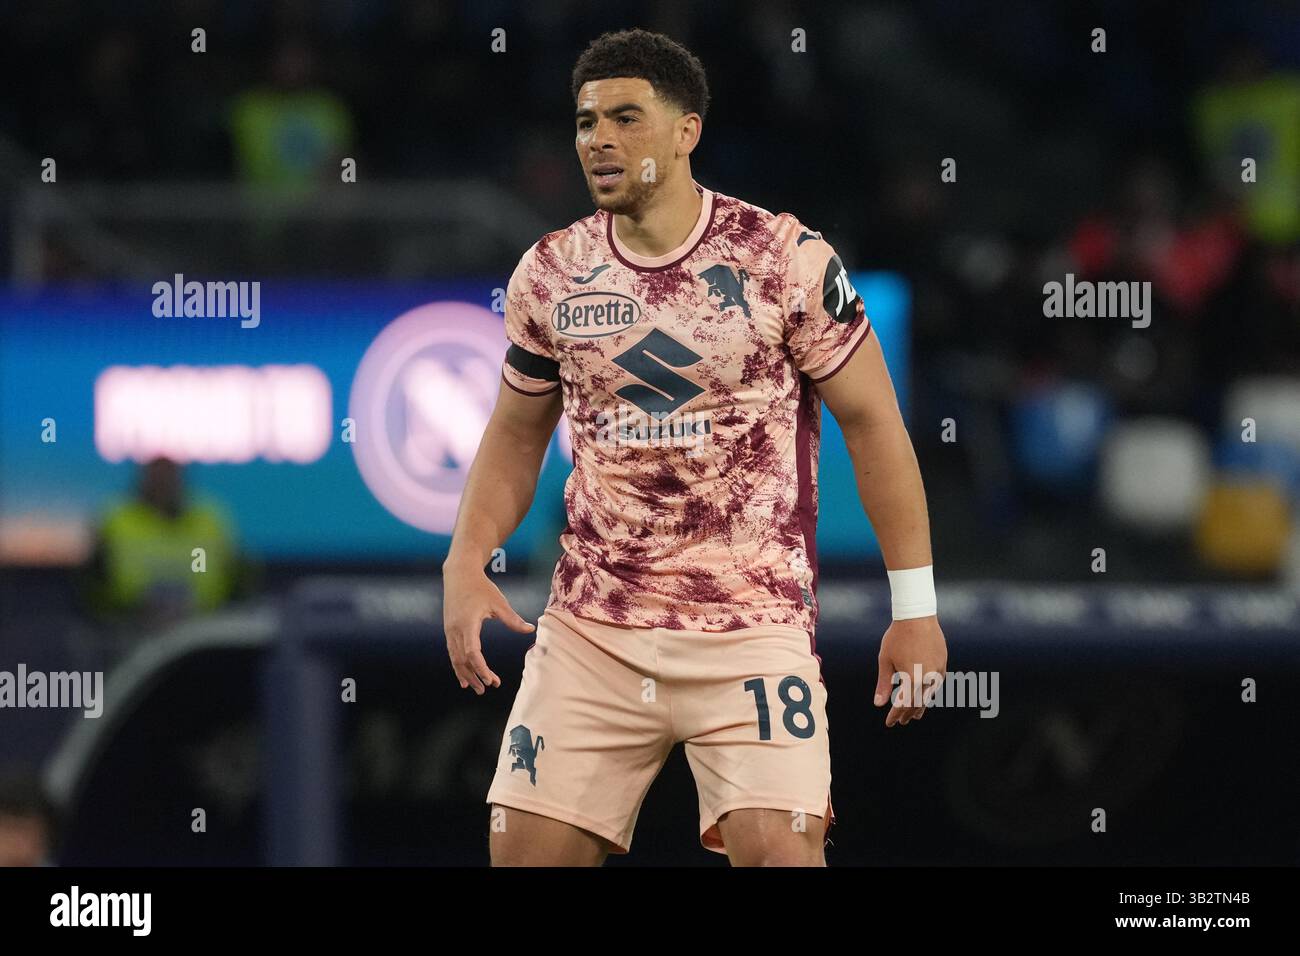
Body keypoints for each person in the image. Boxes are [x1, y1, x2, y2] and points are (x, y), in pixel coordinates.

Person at [442, 29, 946, 867]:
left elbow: (875, 426)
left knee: (781, 856)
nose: (598, 139)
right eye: (585, 121)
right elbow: (515, 433)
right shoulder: (550, 274)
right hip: (592, 631)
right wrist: (466, 561)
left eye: (626, 117)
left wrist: (917, 607)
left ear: (687, 132)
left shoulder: (783, 260)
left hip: (752, 627)